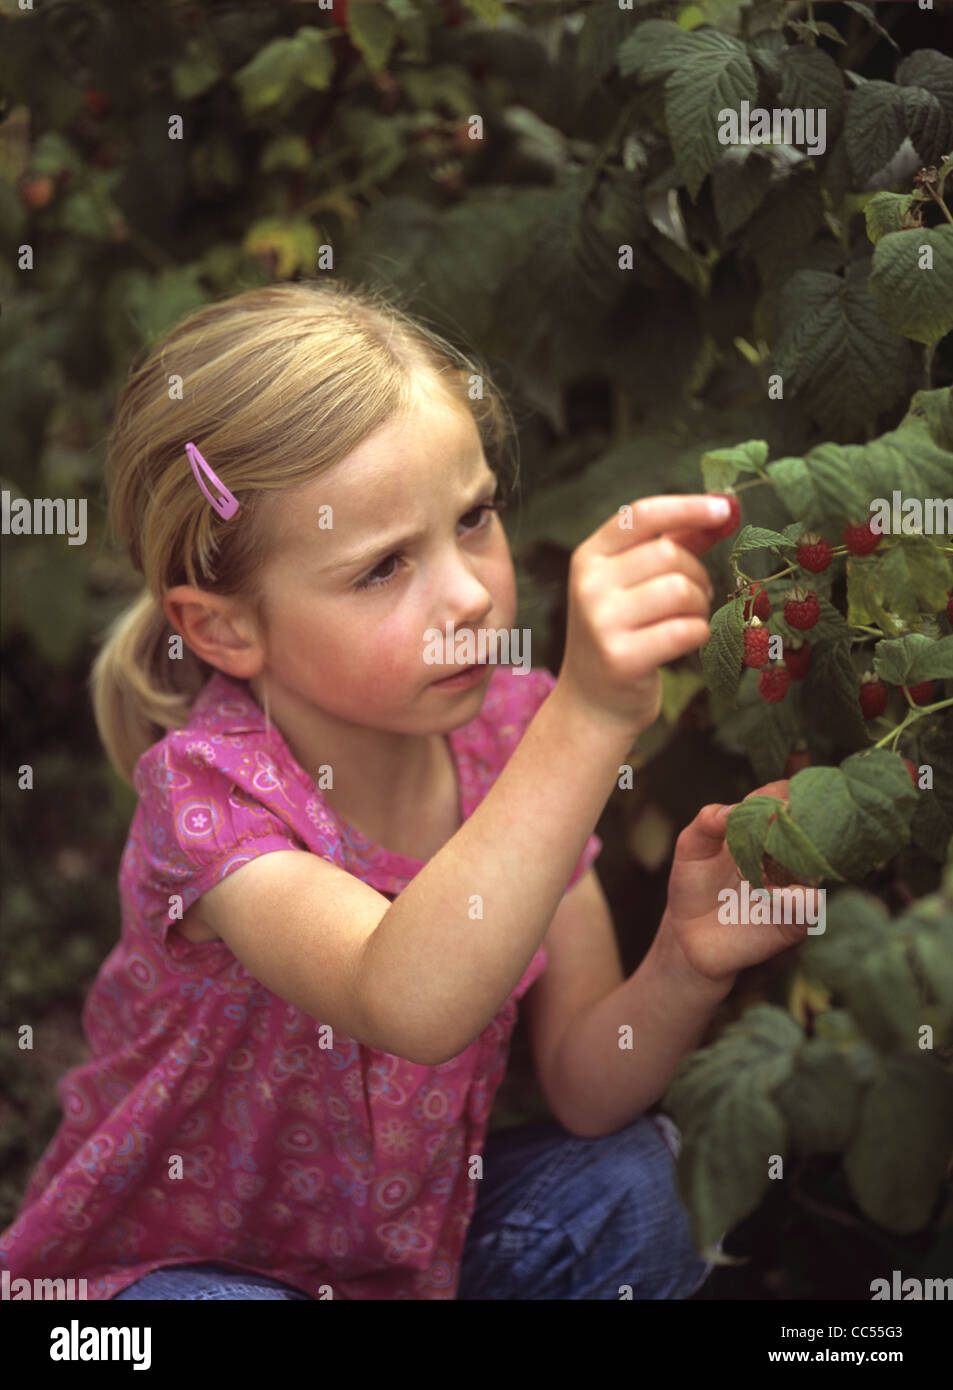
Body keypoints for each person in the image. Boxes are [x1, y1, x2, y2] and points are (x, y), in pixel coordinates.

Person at [0, 280, 805, 1301]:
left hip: (404, 1265)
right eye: (382, 567)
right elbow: (402, 995)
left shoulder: (515, 733)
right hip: (179, 1276)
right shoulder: (211, 795)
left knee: (635, 1184)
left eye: (471, 518)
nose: (470, 592)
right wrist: (593, 717)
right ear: (224, 629)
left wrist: (685, 963)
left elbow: (582, 1081)